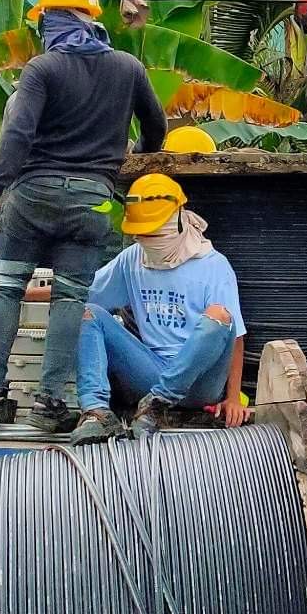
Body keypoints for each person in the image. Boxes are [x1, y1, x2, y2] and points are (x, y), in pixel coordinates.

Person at [0, 0, 165, 433]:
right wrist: (133, 156)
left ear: (51, 21)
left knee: (6, 288)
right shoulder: (128, 67)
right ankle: (51, 402)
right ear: (90, 18)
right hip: (93, 199)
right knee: (71, 297)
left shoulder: (43, 68)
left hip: (32, 195)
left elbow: (19, 133)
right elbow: (156, 128)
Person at [73, 174, 249, 442]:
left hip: (200, 383)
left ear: (178, 220)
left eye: (155, 233)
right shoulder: (132, 259)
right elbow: (84, 294)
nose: (149, 241)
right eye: (143, 235)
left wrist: (233, 398)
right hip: (151, 376)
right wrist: (25, 289)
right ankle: (96, 412)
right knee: (88, 313)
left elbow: (235, 337)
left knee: (219, 315)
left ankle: (160, 402)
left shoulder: (213, 266)